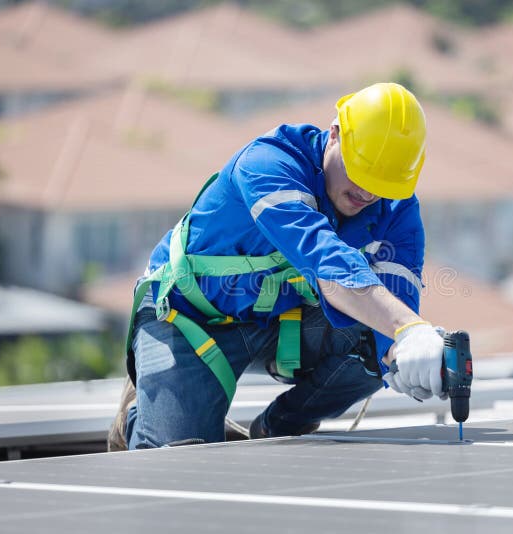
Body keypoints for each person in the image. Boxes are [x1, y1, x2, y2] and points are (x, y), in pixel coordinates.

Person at [108, 82, 447, 451]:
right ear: (334, 136)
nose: (368, 193)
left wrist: (408, 355)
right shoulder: (269, 164)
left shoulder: (396, 207)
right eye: (361, 173)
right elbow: (325, 261)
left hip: (278, 321)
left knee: (376, 334)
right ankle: (143, 413)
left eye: (382, 185)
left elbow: (397, 305)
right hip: (187, 318)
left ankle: (280, 425)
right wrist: (408, 329)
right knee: (180, 458)